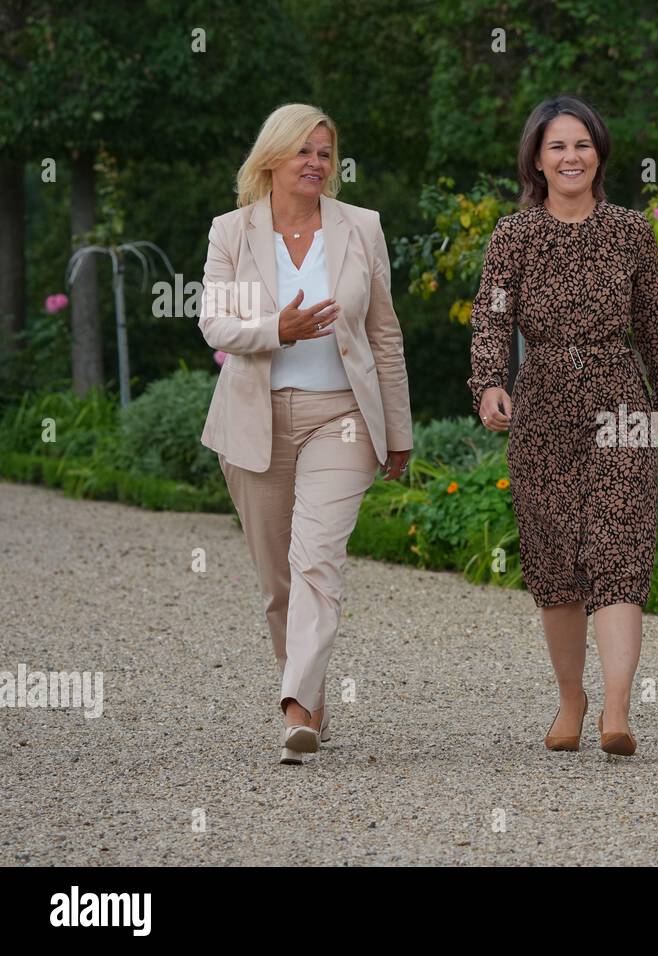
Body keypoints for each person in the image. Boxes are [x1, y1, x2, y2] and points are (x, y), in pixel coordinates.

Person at [198, 103, 413, 764]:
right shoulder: (232, 232)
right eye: (305, 152)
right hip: (255, 419)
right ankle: (310, 691)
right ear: (272, 160)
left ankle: (295, 708)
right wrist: (277, 331)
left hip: (341, 418)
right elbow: (216, 323)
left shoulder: (360, 228)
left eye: (326, 153)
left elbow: (383, 332)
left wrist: (397, 430)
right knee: (278, 582)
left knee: (317, 559)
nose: (318, 163)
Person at [468, 95, 658, 757]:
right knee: (555, 560)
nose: (571, 157)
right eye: (557, 146)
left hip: (621, 397)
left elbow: (652, 322)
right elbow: (492, 315)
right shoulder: (514, 236)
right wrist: (489, 382)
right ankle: (572, 699)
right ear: (537, 157)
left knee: (621, 551)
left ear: (599, 153)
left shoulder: (630, 232)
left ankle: (617, 709)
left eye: (582, 145)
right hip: (545, 400)